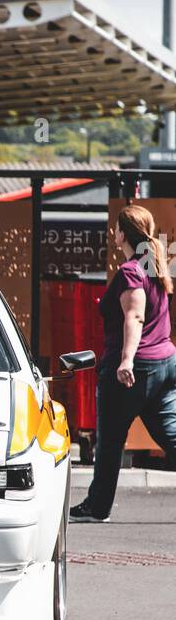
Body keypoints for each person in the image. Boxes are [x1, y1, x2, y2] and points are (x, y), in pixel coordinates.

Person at [71, 205, 176, 523]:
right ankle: (97, 503)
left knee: (109, 441)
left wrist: (126, 360)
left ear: (122, 233)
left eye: (115, 228)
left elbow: (135, 315)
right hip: (164, 362)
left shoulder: (132, 270)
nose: (112, 233)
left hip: (135, 368)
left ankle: (97, 506)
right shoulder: (153, 265)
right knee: (170, 433)